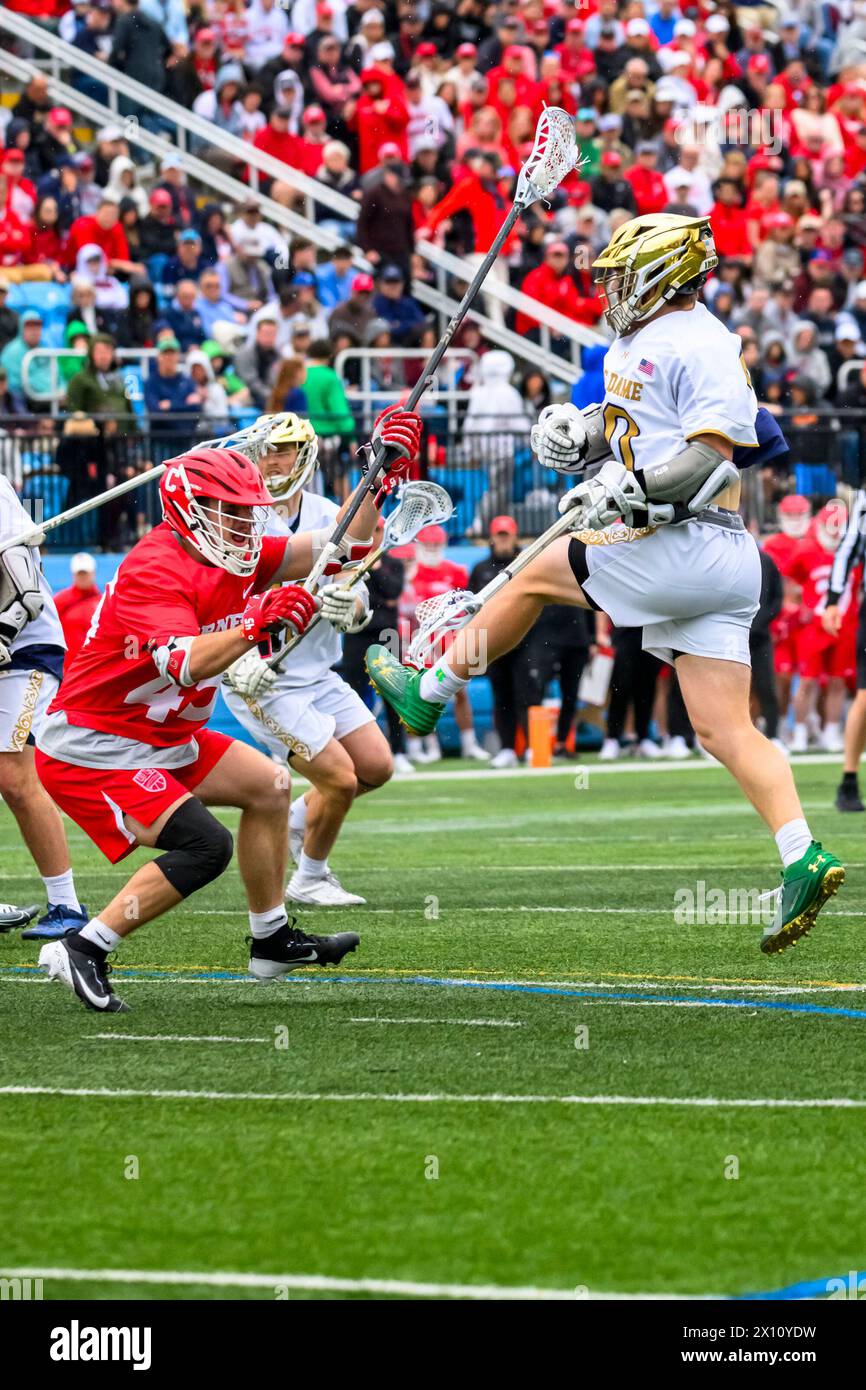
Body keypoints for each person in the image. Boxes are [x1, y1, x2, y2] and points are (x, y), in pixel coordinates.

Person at [366, 212, 845, 955]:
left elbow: (714, 459)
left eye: (621, 275)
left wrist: (630, 491)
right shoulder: (645, 339)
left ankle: (429, 691)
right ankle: (801, 855)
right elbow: (634, 423)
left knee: (531, 576)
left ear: (660, 275)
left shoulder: (701, 342)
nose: (610, 287)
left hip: (685, 542)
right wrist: (583, 435)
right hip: (712, 559)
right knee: (725, 729)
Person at [32, 436, 408, 1013]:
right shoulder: (154, 567)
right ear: (190, 510)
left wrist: (376, 481)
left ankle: (270, 941)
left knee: (270, 785)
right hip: (99, 742)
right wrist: (255, 626)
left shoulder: (234, 552)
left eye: (247, 511)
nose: (244, 523)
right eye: (230, 510)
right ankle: (83, 946)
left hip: (163, 734)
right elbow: (185, 664)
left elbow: (342, 546)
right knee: (206, 846)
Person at [222, 411, 417, 904]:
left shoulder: (330, 512)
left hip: (317, 672)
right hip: (262, 678)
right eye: (265, 450)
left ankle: (295, 819)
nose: (272, 460)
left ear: (303, 455)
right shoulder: (237, 516)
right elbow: (218, 597)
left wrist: (351, 606)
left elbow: (354, 579)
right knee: (340, 779)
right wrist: (234, 654)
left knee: (376, 767)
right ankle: (310, 876)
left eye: (282, 450)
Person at [0, 472, 87, 942]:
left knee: (13, 777)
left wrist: (3, 632)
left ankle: (66, 905)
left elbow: (25, 585)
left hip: (22, 648)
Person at [467, 515, 528, 768]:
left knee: (527, 694)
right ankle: (507, 748)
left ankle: (533, 747)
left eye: (507, 535)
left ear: (515, 536)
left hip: (525, 640)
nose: (503, 540)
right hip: (494, 642)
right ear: (492, 537)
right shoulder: (480, 569)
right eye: (499, 535)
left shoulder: (527, 562)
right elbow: (471, 607)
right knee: (502, 696)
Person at [53, 552, 101, 664]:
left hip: (94, 664)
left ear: (93, 573)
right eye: (79, 574)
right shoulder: (61, 600)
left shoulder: (102, 602)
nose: (83, 577)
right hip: (67, 666)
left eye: (85, 573)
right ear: (73, 575)